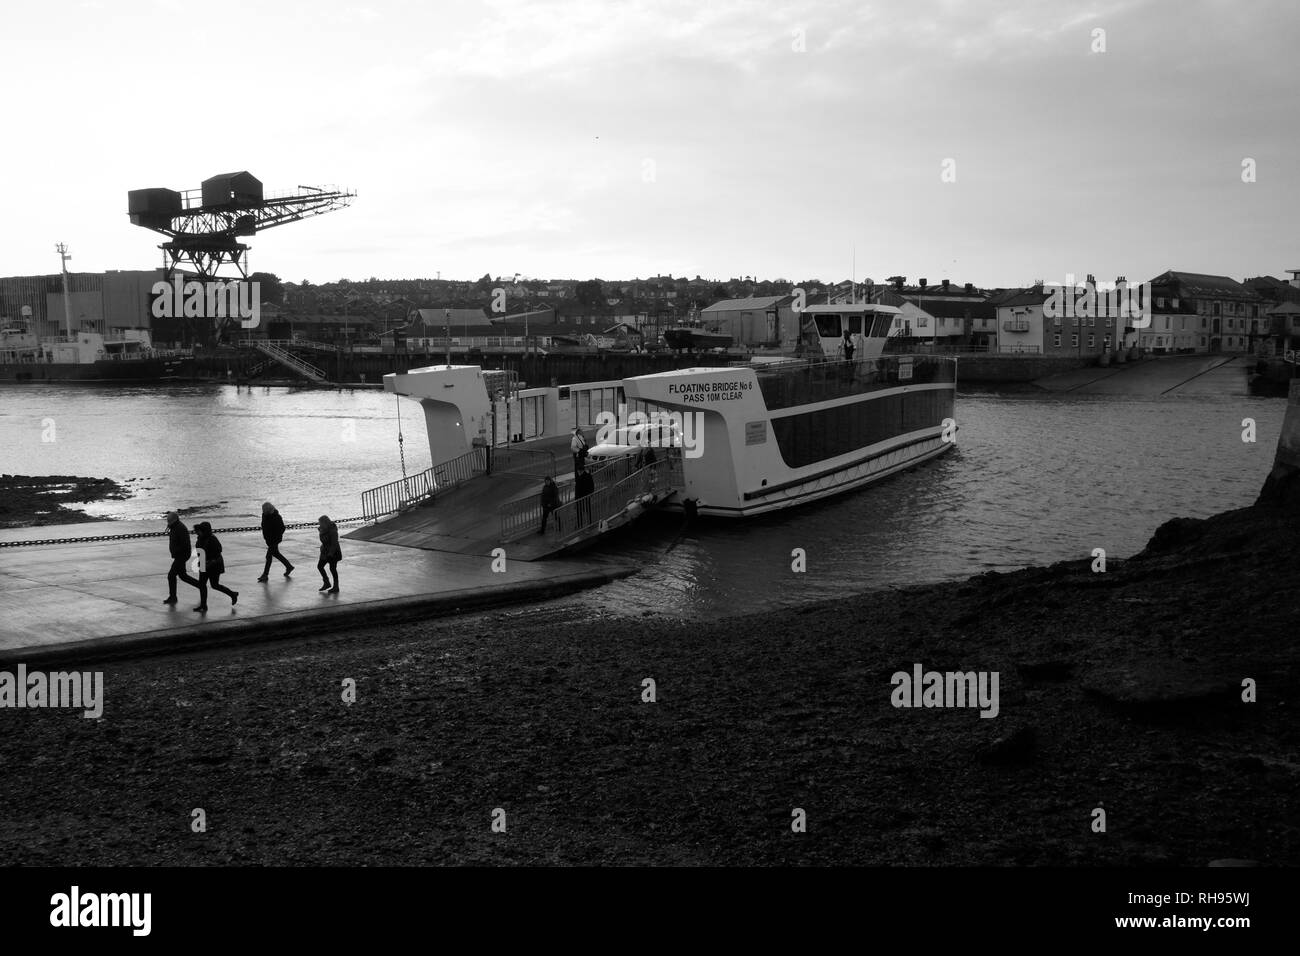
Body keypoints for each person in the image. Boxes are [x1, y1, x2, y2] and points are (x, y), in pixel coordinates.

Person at [193, 521, 238, 612]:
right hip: (205, 564)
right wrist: (201, 562)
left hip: (214, 566)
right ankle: (203, 605)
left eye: (201, 531)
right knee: (202, 585)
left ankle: (232, 594)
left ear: (205, 531)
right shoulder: (200, 539)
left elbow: (218, 552)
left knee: (214, 585)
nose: (199, 532)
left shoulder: (212, 539)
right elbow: (200, 552)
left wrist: (207, 561)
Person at [162, 511, 201, 605]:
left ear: (174, 520)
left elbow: (185, 544)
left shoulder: (179, 528)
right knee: (183, 576)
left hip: (182, 555)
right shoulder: (175, 527)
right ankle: (201, 586)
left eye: (169, 520)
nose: (168, 522)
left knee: (171, 575)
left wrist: (177, 552)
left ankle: (173, 597)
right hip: (180, 555)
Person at [257, 501, 294, 582]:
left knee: (268, 557)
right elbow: (264, 526)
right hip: (269, 540)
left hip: (274, 540)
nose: (263, 511)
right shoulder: (264, 516)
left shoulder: (276, 517)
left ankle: (265, 575)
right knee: (276, 554)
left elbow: (282, 528)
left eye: (264, 510)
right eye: (262, 510)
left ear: (268, 509)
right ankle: (289, 566)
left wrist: (276, 537)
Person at [317, 515, 342, 593]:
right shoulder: (322, 529)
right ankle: (327, 582)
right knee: (320, 566)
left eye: (320, 523)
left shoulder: (332, 530)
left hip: (333, 552)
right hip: (325, 551)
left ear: (325, 523)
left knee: (332, 569)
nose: (319, 524)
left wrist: (331, 553)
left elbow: (334, 543)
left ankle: (336, 586)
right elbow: (324, 541)